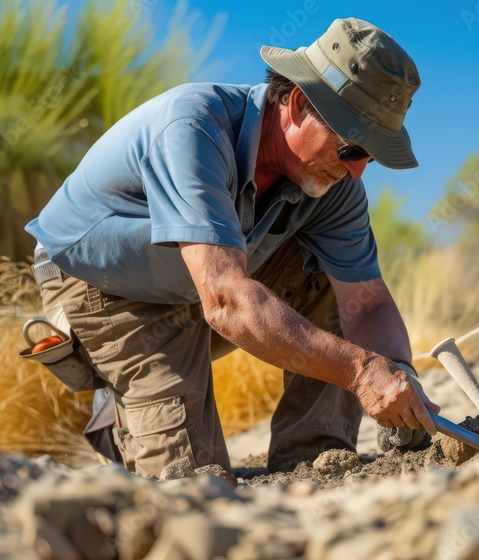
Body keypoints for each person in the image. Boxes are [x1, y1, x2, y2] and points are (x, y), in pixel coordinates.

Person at [24, 17, 440, 478]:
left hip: (209, 284)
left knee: (325, 272)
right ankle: (123, 411)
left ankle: (318, 462)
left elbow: (368, 303)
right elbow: (225, 300)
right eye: (350, 149)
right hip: (106, 289)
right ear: (299, 103)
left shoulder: (336, 187)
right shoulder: (194, 128)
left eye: (369, 157)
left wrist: (400, 375)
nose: (357, 171)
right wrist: (363, 374)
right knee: (194, 485)